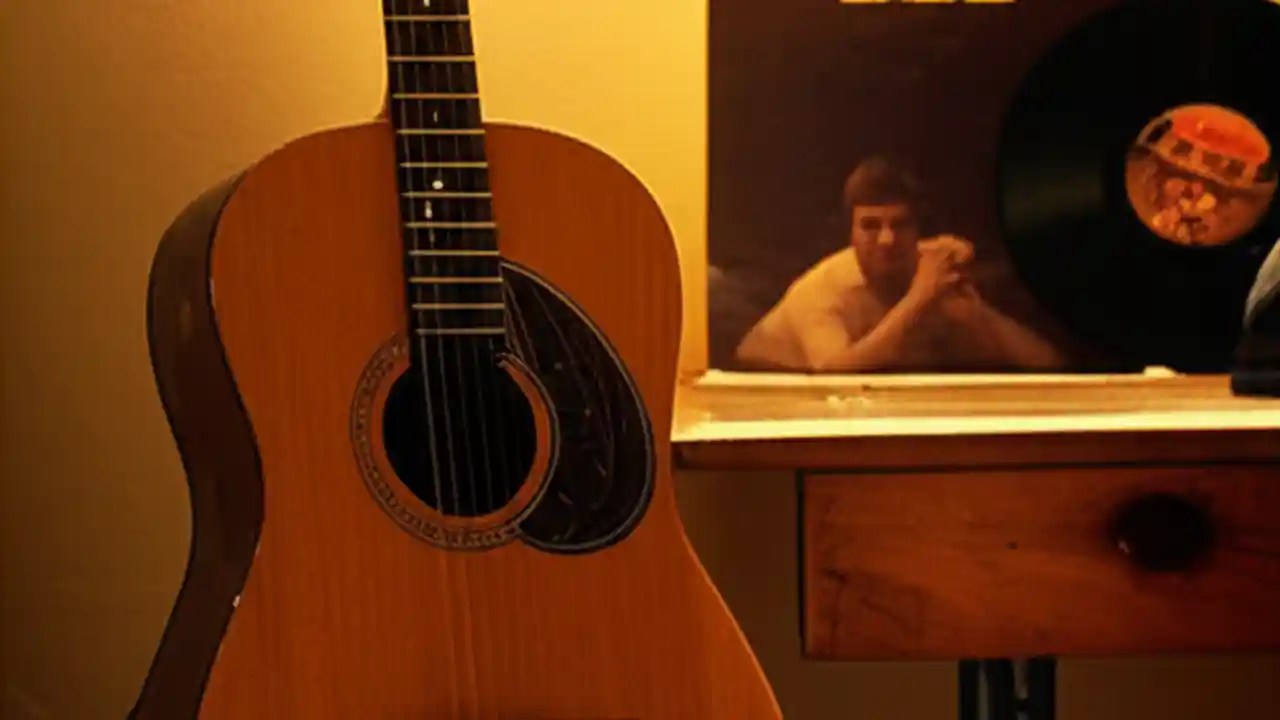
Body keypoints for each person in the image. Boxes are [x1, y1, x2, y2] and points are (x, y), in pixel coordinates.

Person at [734, 157, 1064, 372]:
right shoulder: (821, 291)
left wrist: (976, 314)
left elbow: (1048, 363)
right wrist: (919, 297)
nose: (887, 239)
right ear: (850, 233)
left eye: (900, 224)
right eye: (871, 225)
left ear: (917, 230)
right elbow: (831, 377)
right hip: (759, 378)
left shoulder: (929, 273)